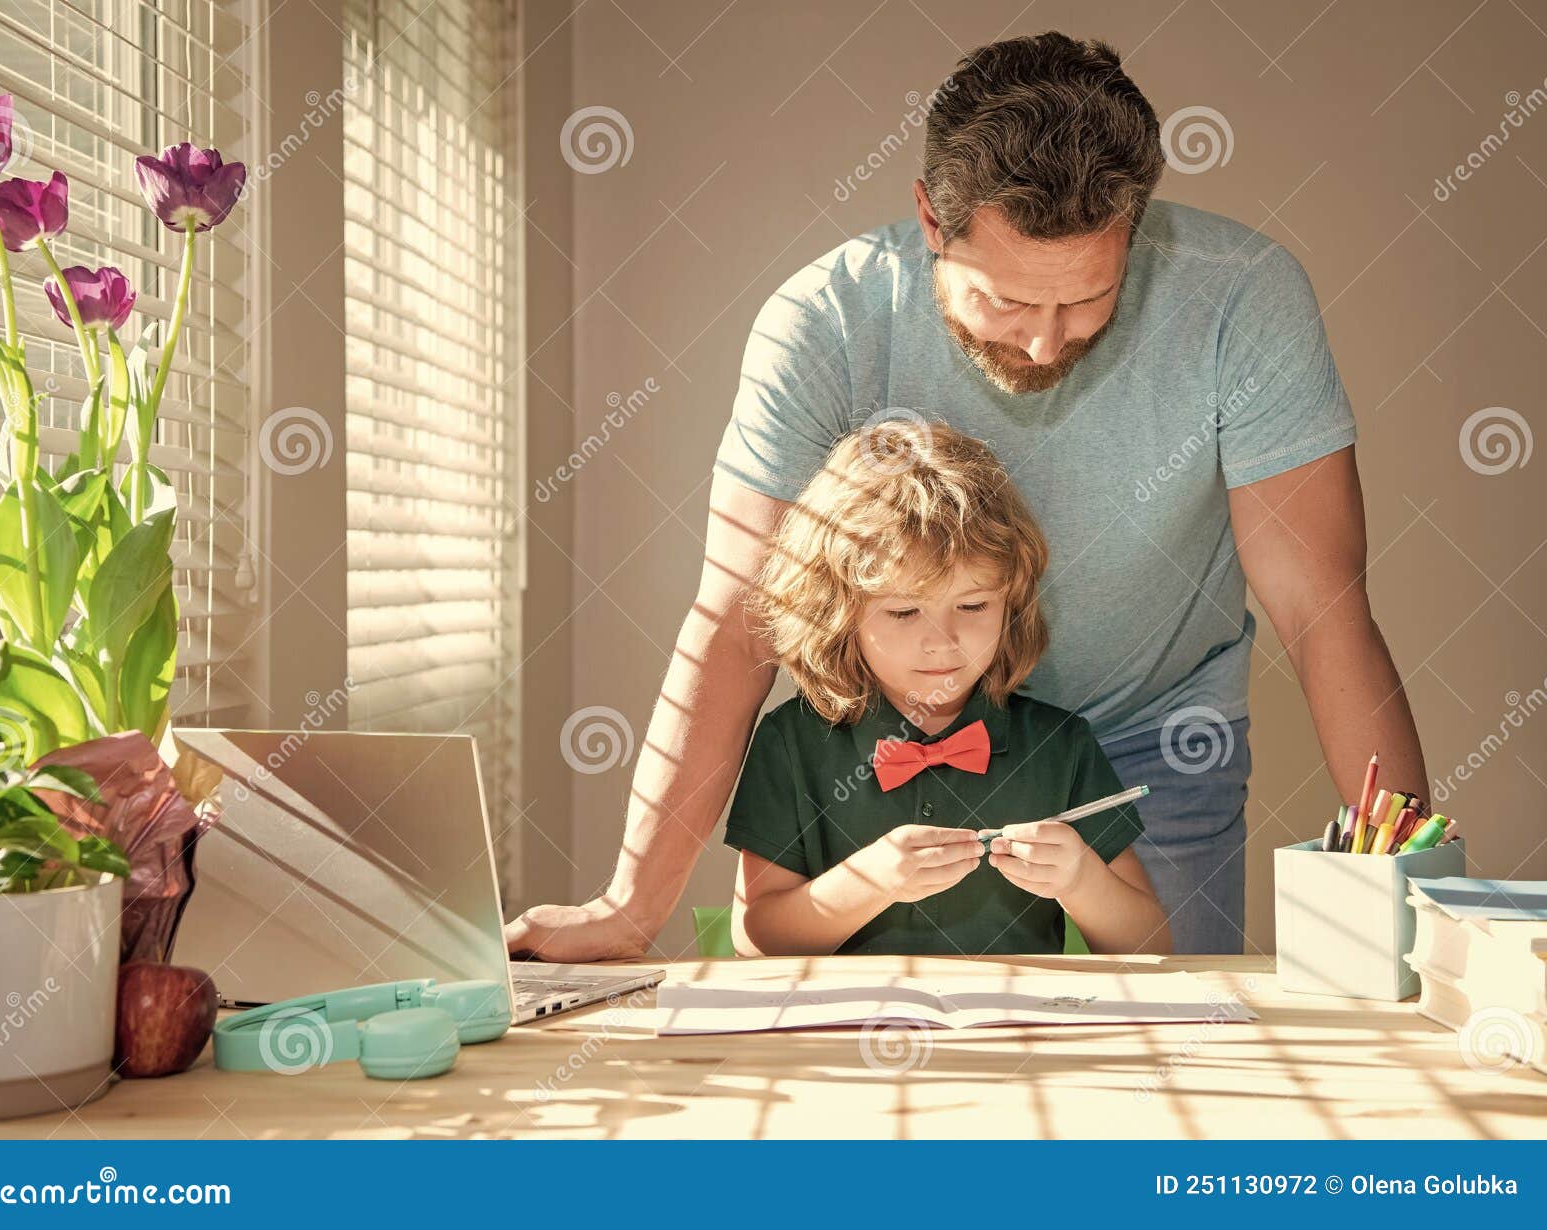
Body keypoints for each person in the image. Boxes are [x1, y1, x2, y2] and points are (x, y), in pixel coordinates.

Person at [506, 31, 1427, 961]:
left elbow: (1324, 607)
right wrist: (629, 912)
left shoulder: (1245, 300)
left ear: (1135, 229)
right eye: (1007, 302)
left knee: (1169, 1051)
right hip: (892, 738)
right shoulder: (822, 322)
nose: (1043, 344)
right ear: (930, 220)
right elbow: (741, 617)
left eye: (1087, 300)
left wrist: (1410, 896)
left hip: (1154, 742)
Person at [725, 421, 1168, 957]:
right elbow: (755, 940)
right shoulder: (790, 742)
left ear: (1013, 600)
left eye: (974, 606)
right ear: (837, 612)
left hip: (1018, 1033)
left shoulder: (1062, 745)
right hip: (839, 1033)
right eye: (905, 611)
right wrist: (866, 885)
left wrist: (1081, 882)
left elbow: (1149, 944)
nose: (944, 642)